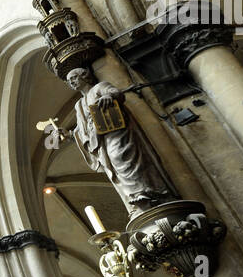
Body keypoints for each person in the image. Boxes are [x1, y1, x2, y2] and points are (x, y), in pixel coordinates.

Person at [66, 66, 176, 212]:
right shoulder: (78, 104)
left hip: (115, 130)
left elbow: (115, 92)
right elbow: (81, 129)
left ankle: (148, 191)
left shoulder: (99, 87)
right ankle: (135, 197)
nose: (72, 82)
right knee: (113, 165)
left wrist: (108, 96)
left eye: (74, 77)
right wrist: (68, 135)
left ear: (84, 76)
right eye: (69, 81)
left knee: (121, 157)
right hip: (100, 139)